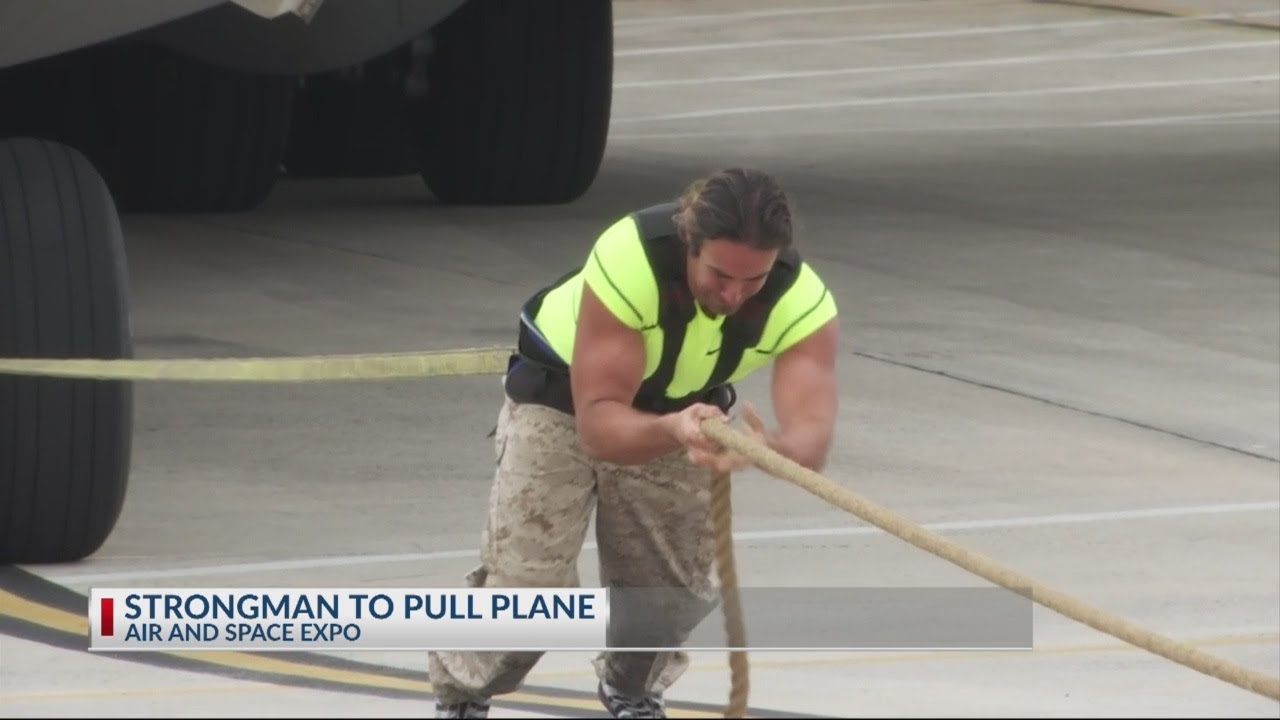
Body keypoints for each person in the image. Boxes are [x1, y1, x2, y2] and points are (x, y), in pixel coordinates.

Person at [430, 167, 840, 719]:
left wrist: (779, 450)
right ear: (690, 244)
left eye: (754, 280)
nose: (735, 295)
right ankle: (462, 693)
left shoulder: (802, 299)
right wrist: (671, 429)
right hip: (564, 402)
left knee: (670, 600)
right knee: (530, 601)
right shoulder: (631, 261)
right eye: (720, 275)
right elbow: (599, 428)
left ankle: (631, 690)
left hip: (685, 408)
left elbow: (811, 435)